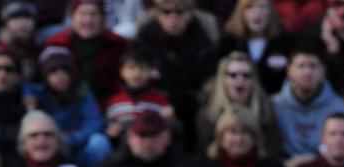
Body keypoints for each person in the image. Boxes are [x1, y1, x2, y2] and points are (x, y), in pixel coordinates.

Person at [87, 108, 219, 167]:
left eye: (154, 135)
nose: (148, 142)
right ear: (129, 138)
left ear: (167, 137)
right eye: (142, 135)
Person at [135, 0, 217, 142]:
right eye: (166, 12)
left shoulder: (204, 43)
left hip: (191, 108)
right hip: (151, 102)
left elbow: (207, 86)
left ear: (190, 15)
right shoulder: (145, 38)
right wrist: (158, 103)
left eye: (179, 12)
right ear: (158, 15)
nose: (173, 17)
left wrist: (175, 106)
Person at [29, 44, 111, 167]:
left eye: (65, 70)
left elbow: (94, 121)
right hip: (49, 146)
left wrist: (74, 137)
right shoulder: (38, 93)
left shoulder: (82, 92)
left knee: (98, 142)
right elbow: (23, 87)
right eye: (53, 72)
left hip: (79, 147)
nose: (60, 76)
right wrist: (27, 95)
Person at [195, 50, 282, 154]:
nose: (240, 79)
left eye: (246, 75)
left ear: (254, 80)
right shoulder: (207, 114)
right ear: (223, 79)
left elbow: (273, 151)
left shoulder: (267, 111)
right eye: (233, 75)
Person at [44, 0, 126, 106]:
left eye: (94, 14)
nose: (88, 20)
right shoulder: (56, 44)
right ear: (73, 17)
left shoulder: (118, 44)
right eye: (82, 14)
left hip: (109, 104)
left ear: (103, 18)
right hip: (66, 105)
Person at [272, 45, 344, 159]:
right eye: (301, 66)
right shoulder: (274, 105)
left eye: (313, 66)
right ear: (289, 71)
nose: (307, 72)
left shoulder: (339, 107)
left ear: (323, 71)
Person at [207, 106, 290, 167]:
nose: (239, 138)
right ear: (221, 138)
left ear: (254, 139)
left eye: (245, 132)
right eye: (233, 132)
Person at [4, 110, 84, 167]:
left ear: (58, 140)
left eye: (48, 134)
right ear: (23, 142)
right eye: (34, 135)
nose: (41, 141)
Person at [220, 0, 293, 95]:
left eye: (262, 7)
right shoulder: (228, 43)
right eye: (250, 7)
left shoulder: (285, 42)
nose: (257, 12)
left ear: (271, 12)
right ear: (241, 13)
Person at [103, 46, 173, 140]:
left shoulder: (161, 100)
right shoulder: (113, 101)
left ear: (150, 71)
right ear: (121, 72)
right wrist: (111, 131)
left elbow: (170, 129)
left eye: (142, 68)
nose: (137, 73)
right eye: (131, 67)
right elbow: (108, 126)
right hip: (121, 147)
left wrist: (169, 120)